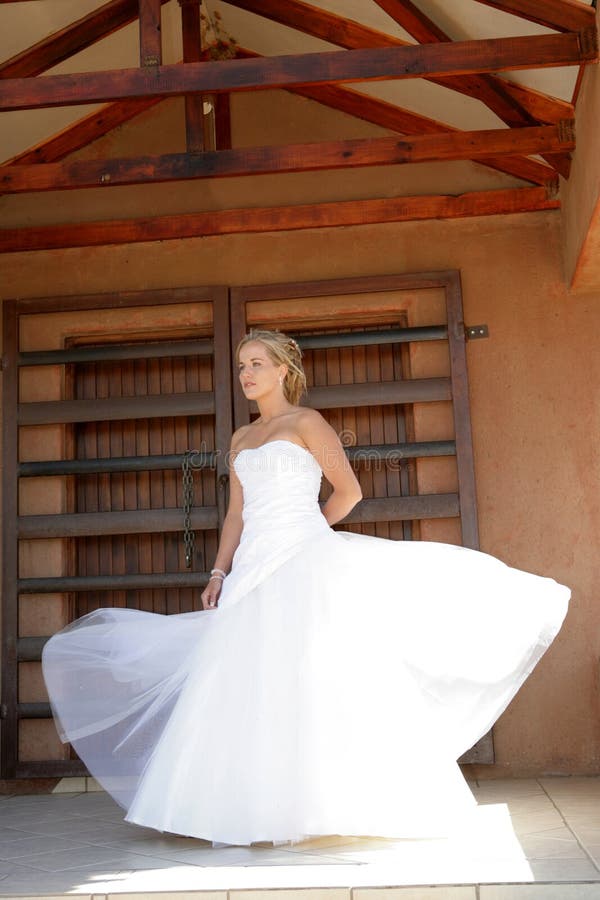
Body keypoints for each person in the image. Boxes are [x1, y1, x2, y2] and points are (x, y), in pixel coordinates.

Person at [42, 329, 570, 846]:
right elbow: (236, 514)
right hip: (251, 567)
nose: (246, 373)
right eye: (241, 365)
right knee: (246, 678)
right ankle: (239, 807)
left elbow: (350, 491)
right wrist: (219, 571)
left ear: (282, 371)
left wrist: (311, 534)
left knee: (320, 673)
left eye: (255, 364)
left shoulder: (307, 422)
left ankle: (336, 803)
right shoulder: (240, 438)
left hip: (306, 557)